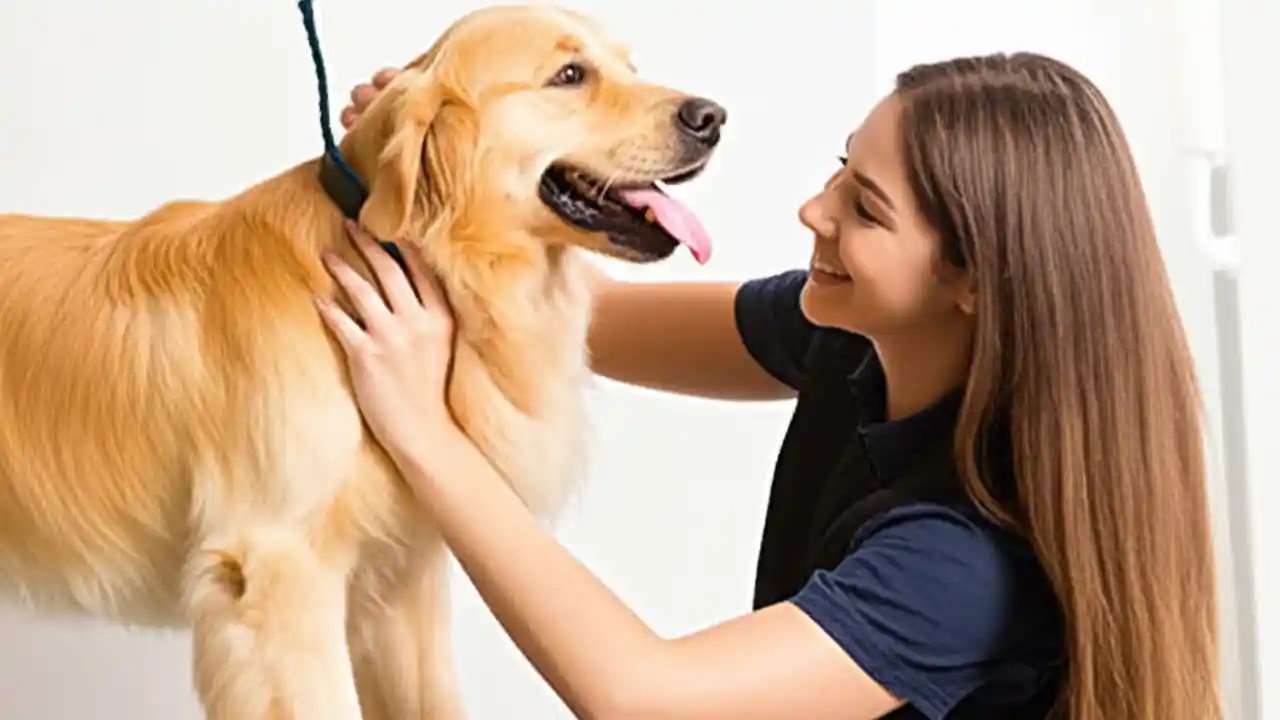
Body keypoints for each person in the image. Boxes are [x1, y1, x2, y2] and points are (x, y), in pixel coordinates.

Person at [317, 52, 1221, 719]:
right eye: (842, 165)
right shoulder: (852, 333)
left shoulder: (962, 565)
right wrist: (449, 172)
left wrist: (424, 437)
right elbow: (580, 318)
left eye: (865, 208)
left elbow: (643, 700)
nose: (813, 210)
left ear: (973, 281)